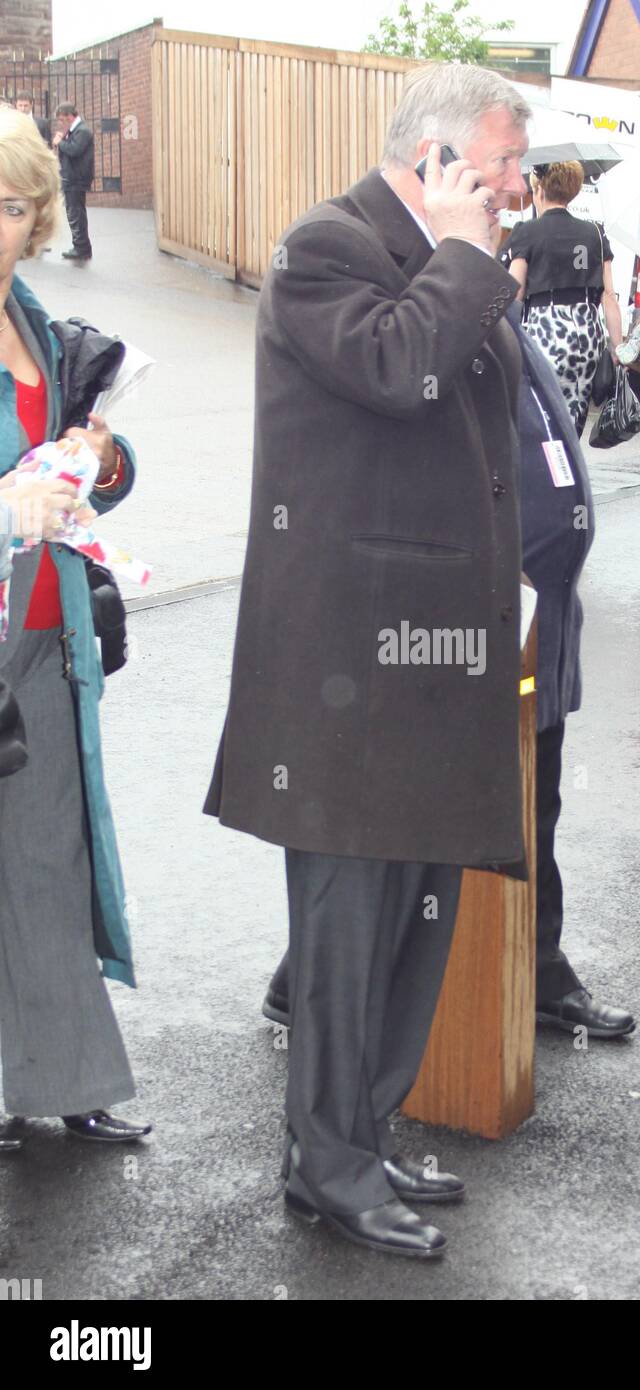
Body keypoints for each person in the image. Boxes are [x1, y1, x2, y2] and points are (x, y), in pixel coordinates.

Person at [205, 62, 531, 1259]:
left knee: (415, 921)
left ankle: (362, 1129)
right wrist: (463, 254)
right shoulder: (326, 249)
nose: (516, 187)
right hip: (347, 672)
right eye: (501, 164)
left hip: (435, 661)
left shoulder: (455, 262)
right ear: (438, 160)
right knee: (344, 937)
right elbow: (404, 371)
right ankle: (327, 1165)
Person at [264, 304, 635, 1042]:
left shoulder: (500, 315)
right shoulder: (431, 319)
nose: (506, 192)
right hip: (476, 624)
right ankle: (307, 980)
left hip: (541, 621)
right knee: (420, 828)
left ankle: (539, 969)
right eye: (489, 183)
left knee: (537, 810)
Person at [0, 112, 149, 1154]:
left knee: (48, 860)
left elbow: (82, 462)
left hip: (49, 637)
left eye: (10, 206)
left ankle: (64, 1078)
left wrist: (100, 458)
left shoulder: (36, 320)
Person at [501, 161, 622, 437]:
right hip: (585, 338)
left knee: (539, 417)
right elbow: (609, 296)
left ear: (539, 188)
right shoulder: (595, 233)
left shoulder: (525, 232)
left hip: (545, 333)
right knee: (571, 418)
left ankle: (545, 471)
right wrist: (617, 348)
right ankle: (566, 468)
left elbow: (515, 292)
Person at [53, 101, 94, 261]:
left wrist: (60, 142)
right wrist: (63, 139)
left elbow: (74, 150)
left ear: (70, 116)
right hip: (72, 178)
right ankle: (80, 246)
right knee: (75, 213)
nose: (61, 123)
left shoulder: (82, 130)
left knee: (76, 213)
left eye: (62, 120)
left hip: (76, 179)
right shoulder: (75, 130)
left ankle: (82, 248)